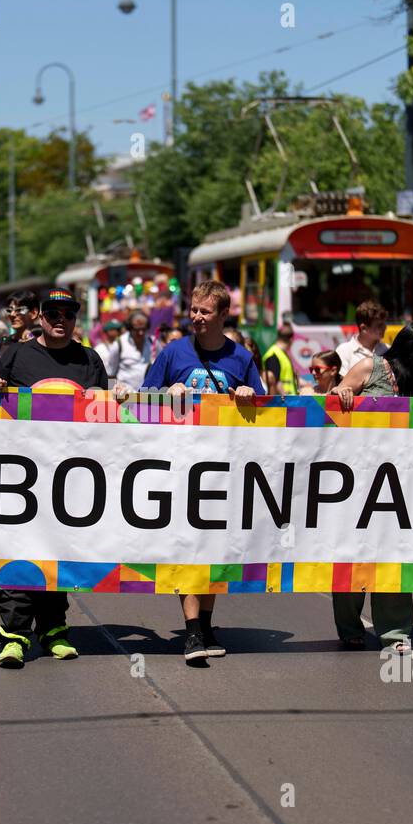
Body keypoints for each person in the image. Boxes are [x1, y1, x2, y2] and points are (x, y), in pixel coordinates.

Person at [0, 289, 125, 668]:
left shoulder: (88, 359)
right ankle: (13, 638)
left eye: (68, 313)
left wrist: (110, 398)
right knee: (18, 553)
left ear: (76, 319)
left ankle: (54, 631)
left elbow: (101, 414)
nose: (60, 319)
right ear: (40, 317)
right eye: (53, 313)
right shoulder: (13, 353)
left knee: (58, 554)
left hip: (68, 480)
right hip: (18, 478)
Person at [142, 279, 264, 664]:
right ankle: (192, 632)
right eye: (193, 310)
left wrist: (248, 397)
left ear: (223, 315)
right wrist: (166, 394)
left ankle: (207, 624)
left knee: (213, 549)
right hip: (180, 468)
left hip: (223, 469)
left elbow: (265, 412)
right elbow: (142, 403)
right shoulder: (172, 353)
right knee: (189, 547)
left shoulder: (241, 359)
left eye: (204, 312)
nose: (195, 317)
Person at [328, 323, 413, 652]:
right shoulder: (370, 366)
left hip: (398, 484)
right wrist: (342, 392)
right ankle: (349, 626)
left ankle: (395, 631)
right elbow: (333, 402)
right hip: (358, 481)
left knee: (394, 556)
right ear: (411, 346)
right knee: (352, 554)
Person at [0, 291, 40, 371]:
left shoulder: (42, 343)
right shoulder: (2, 343)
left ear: (33, 313)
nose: (12, 314)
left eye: (19, 310)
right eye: (9, 310)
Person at [335, 300, 388, 376]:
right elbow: (341, 384)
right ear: (363, 328)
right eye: (379, 325)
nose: (385, 328)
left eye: (384, 323)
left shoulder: (387, 349)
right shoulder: (344, 351)